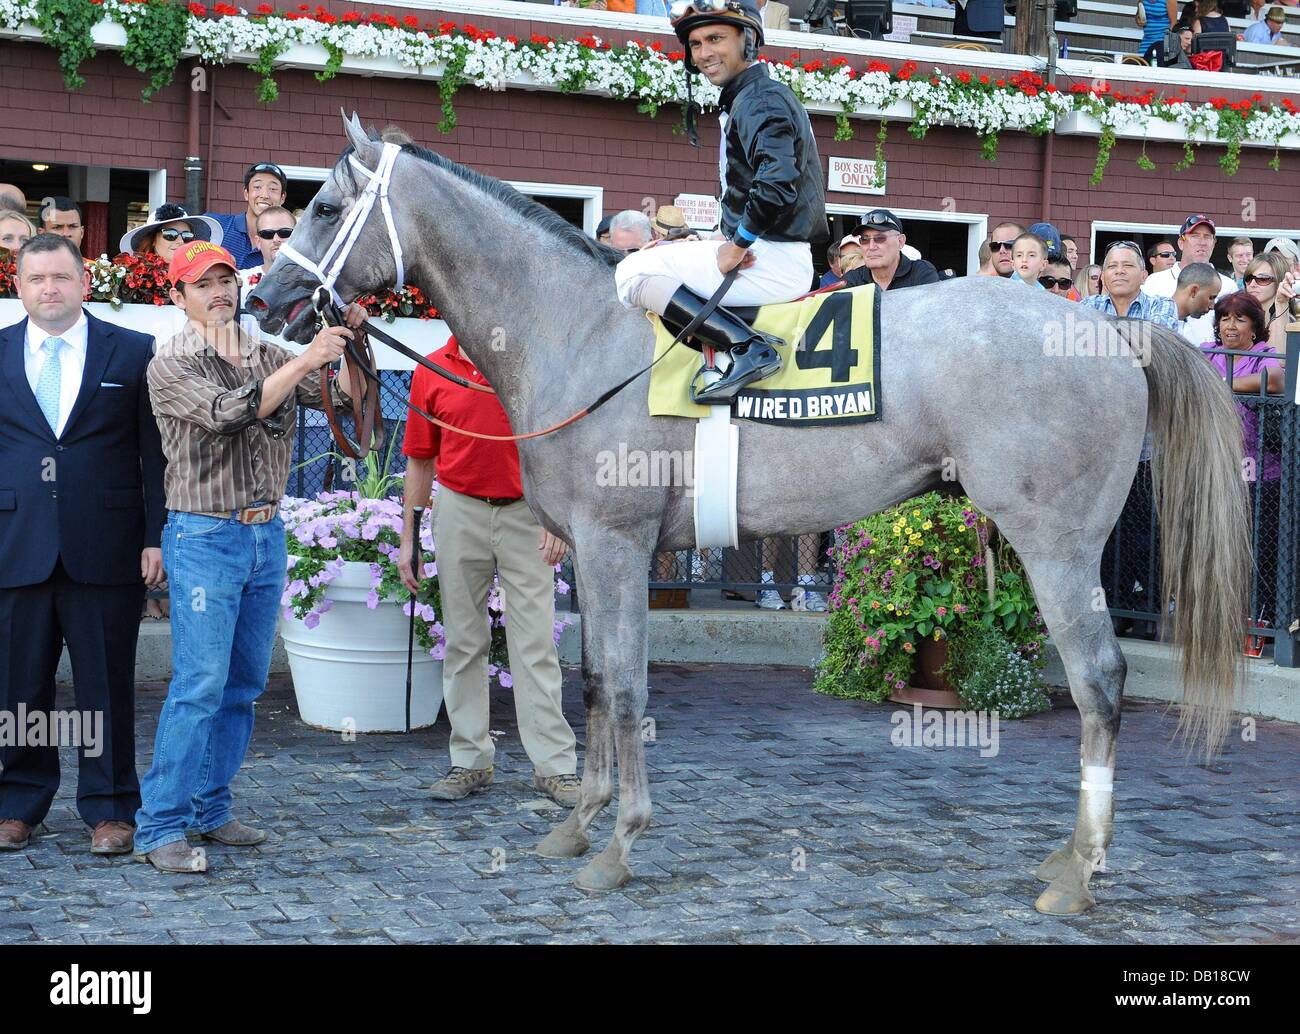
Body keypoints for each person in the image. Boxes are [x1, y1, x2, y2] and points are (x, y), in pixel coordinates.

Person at [132, 241, 361, 874]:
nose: (219, 292)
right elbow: (228, 412)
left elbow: (342, 400)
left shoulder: (266, 353)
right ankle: (161, 825)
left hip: (265, 533)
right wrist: (308, 357)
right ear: (177, 297)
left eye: (225, 280)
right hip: (204, 536)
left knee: (243, 685)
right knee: (199, 685)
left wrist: (348, 343)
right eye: (202, 284)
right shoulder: (171, 362)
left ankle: (211, 807)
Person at [0, 234, 166, 856]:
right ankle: (18, 803)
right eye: (37, 278)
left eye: (61, 277)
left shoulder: (134, 351)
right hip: (14, 544)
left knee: (106, 686)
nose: (50, 288)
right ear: (19, 286)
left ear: (84, 283)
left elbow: (154, 455)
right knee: (18, 687)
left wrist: (155, 537)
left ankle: (111, 807)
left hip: (107, 546)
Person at [398, 336, 581, 807]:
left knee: (535, 643)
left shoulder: (530, 361)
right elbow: (420, 459)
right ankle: (470, 761)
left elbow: (562, 447)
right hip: (459, 510)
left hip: (528, 514)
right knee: (463, 640)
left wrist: (557, 518)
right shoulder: (432, 370)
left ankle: (555, 767)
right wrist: (408, 539)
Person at [615, 0, 826, 403]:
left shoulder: (760, 99)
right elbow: (749, 189)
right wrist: (717, 237)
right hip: (771, 252)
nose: (704, 53)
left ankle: (747, 348)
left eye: (715, 38)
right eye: (695, 44)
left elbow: (777, 182)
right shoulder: (749, 97)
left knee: (631, 273)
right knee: (654, 256)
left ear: (748, 41)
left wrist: (737, 244)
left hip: (773, 259)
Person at [1200, 292, 1283, 625]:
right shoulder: (1207, 352)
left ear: (1254, 327)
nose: (1230, 326)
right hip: (1216, 473)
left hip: (1262, 477)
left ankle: (1259, 620)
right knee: (1218, 551)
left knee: (1259, 552)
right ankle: (1219, 619)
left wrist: (1221, 383)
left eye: (1239, 319)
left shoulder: (1264, 353)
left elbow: (1274, 380)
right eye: (1224, 318)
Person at [205, 161, 288, 270]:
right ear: (246, 194)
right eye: (257, 187)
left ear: (282, 198)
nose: (264, 195)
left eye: (273, 189)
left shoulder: (288, 244)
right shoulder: (215, 226)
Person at [1081, 240, 1179, 327]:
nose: (1119, 271)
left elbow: (1154, 340)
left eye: (1128, 265)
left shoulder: (1160, 305)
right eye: (1112, 266)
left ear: (1143, 276)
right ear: (1102, 277)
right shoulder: (1090, 305)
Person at [839, 209, 940, 290]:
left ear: (900, 241)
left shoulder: (920, 272)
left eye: (880, 238)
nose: (871, 246)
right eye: (865, 239)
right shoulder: (852, 279)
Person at [1143, 215, 1237, 299]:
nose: (1202, 242)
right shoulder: (1155, 282)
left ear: (1213, 244)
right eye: (1195, 236)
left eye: (1207, 237)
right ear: (1181, 243)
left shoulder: (1228, 287)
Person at [119, 203, 223, 266]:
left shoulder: (202, 276)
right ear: (153, 240)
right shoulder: (132, 278)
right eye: (170, 234)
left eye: (187, 236)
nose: (181, 241)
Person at [1242, 252, 1298, 353]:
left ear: (1279, 282)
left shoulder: (1288, 321)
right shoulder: (1242, 315)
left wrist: (1281, 303)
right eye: (1249, 278)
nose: (1252, 284)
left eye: (1262, 279)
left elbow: (1277, 359)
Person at [1170, 261, 1221, 343]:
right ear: (1194, 291)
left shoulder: (1190, 328)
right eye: (1211, 297)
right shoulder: (1157, 321)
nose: (1212, 306)